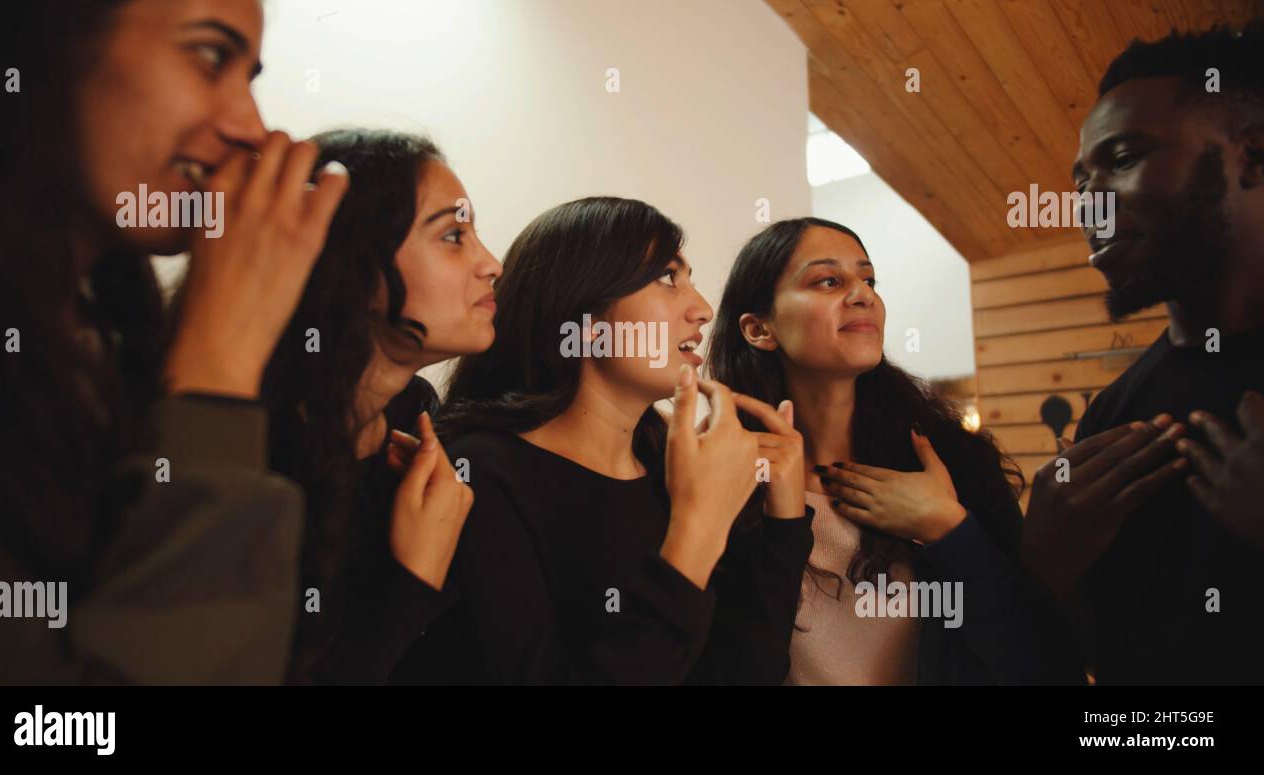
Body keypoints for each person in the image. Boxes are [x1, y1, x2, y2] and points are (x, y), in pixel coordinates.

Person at [0, 0, 347, 683]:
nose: (251, 128)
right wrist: (217, 368)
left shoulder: (97, 346)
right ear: (47, 42)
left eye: (251, 76)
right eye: (209, 54)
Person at [402, 197, 814, 684]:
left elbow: (745, 673)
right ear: (588, 323)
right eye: (668, 277)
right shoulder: (478, 473)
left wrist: (785, 518)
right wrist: (696, 530)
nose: (703, 309)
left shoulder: (665, 464)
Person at [708, 217, 1080, 684]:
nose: (862, 294)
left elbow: (1041, 661)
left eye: (869, 279)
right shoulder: (720, 480)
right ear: (759, 329)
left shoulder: (953, 461)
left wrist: (948, 529)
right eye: (828, 281)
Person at [1025, 22, 1264, 684]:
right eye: (1080, 183)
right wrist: (1046, 567)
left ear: (1252, 157)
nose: (1090, 204)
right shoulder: (1114, 415)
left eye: (1124, 158)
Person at [260, 129, 500, 683]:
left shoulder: (413, 412)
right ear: (356, 266)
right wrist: (414, 579)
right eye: (453, 236)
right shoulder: (259, 450)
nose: (492, 264)